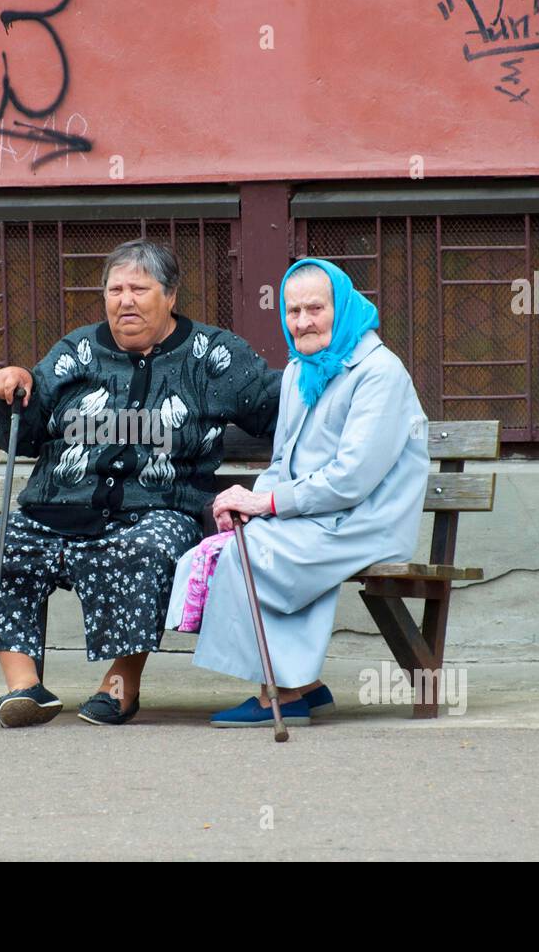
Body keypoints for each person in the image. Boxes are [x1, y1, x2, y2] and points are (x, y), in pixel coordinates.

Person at [0, 240, 282, 727]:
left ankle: (121, 686)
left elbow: (272, 405)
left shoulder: (212, 355)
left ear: (170, 295)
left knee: (144, 550)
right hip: (58, 507)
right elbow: (24, 435)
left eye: (139, 288)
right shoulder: (76, 352)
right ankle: (24, 688)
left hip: (158, 510)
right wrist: (6, 387)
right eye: (115, 289)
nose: (125, 300)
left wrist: (332, 373)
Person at [165, 258, 429, 727]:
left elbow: (352, 478)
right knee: (229, 546)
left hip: (367, 521)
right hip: (315, 515)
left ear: (341, 307)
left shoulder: (378, 373)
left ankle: (285, 692)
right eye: (292, 312)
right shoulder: (299, 370)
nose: (303, 322)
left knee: (260, 554)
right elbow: (282, 462)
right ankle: (300, 687)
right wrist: (248, 505)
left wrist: (266, 504)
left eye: (315, 309)